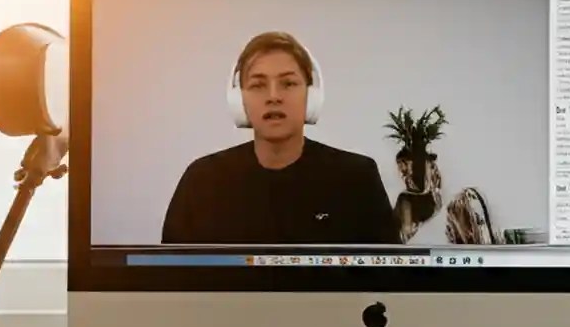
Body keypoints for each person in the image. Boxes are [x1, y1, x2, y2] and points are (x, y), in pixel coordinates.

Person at [161, 31, 399, 245]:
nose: (273, 97)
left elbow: (392, 275)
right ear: (239, 101)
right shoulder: (202, 181)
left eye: (288, 83)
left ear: (311, 97)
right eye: (258, 85)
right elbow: (169, 275)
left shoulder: (357, 178)